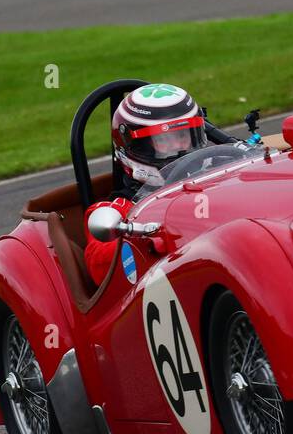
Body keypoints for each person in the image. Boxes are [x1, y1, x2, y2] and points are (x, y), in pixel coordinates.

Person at [84, 83, 207, 285]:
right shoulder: (112, 212)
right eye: (164, 141)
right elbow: (99, 268)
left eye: (183, 137)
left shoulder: (217, 177)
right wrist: (142, 234)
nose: (177, 148)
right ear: (135, 147)